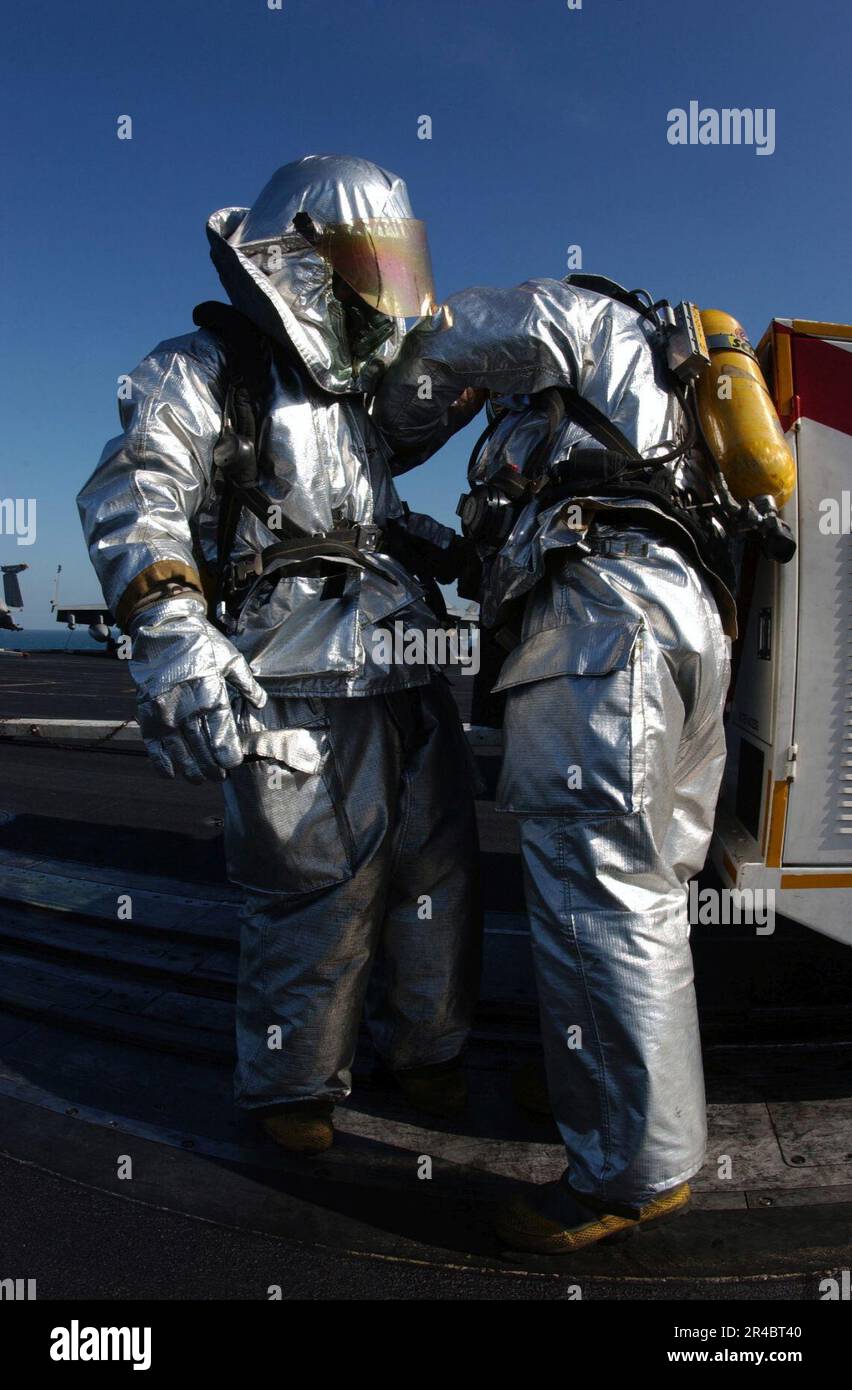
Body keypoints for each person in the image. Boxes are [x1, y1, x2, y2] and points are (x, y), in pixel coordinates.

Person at [78, 155, 482, 1155]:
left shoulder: (355, 411)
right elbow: (138, 499)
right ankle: (291, 1088)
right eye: (366, 269)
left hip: (406, 664)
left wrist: (453, 546)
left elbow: (372, 518)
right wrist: (176, 640)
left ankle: (427, 1052)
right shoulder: (199, 372)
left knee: (436, 873)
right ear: (298, 260)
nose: (382, 295)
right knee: (312, 888)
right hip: (292, 677)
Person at [374, 275, 736, 1251]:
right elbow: (499, 540)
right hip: (689, 631)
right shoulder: (654, 390)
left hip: (599, 630)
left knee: (595, 896)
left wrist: (368, 427)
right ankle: (601, 1076)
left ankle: (630, 1173)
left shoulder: (574, 316)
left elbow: (440, 347)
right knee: (648, 897)